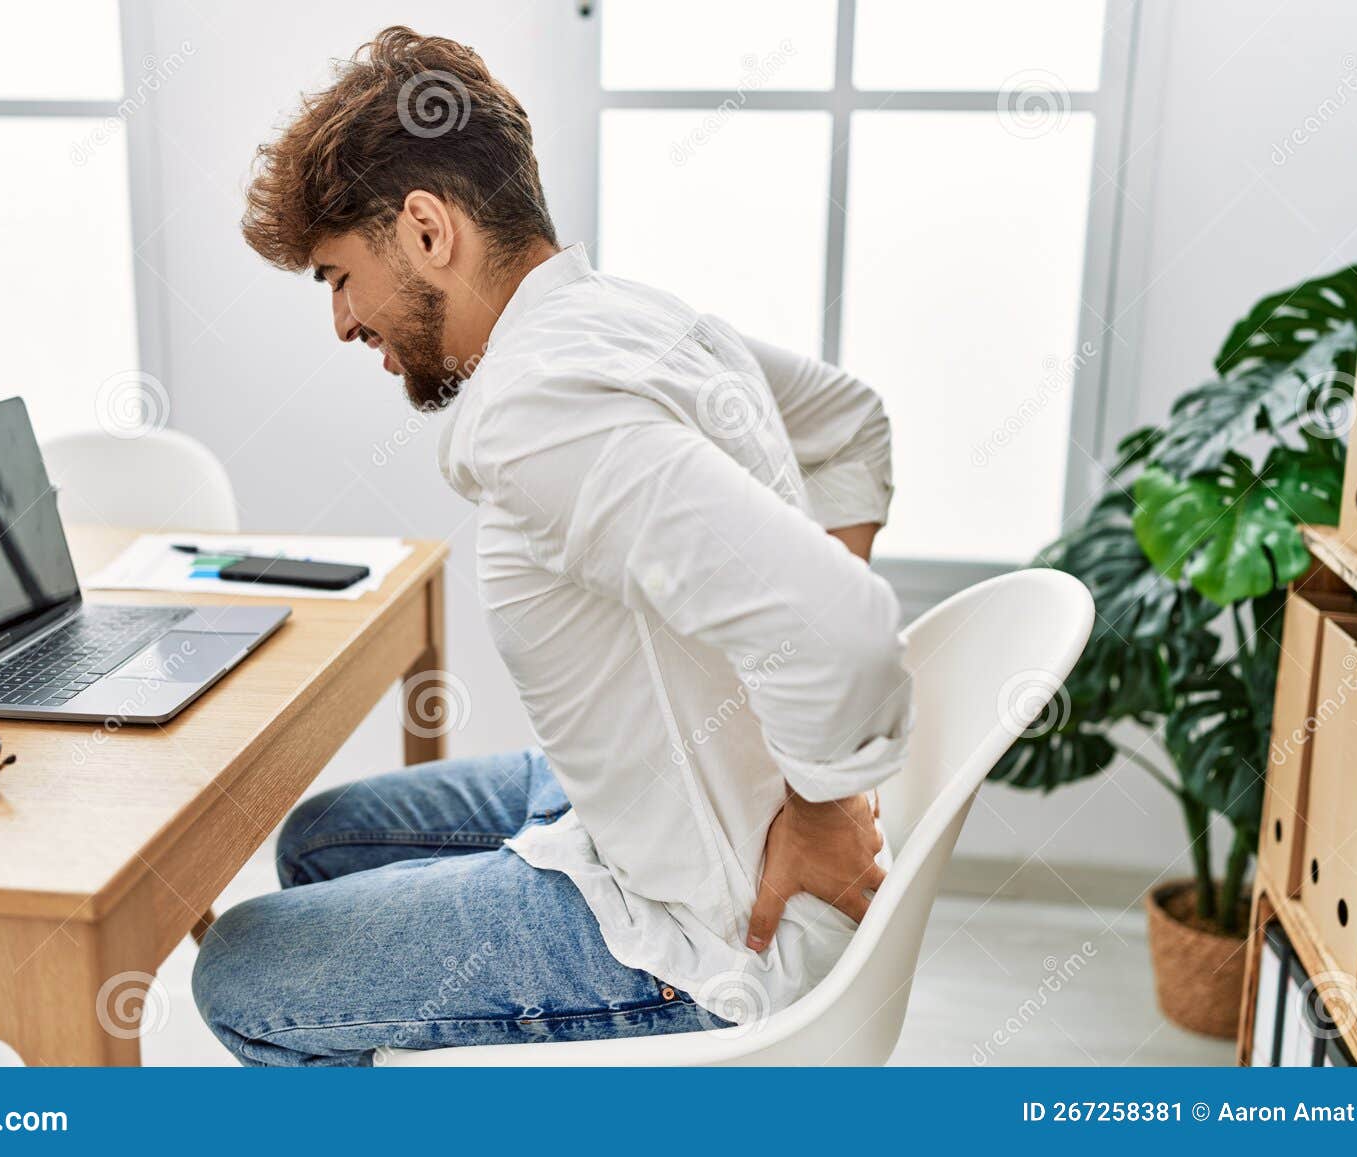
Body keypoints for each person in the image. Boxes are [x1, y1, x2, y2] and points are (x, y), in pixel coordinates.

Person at [191, 26, 913, 1066]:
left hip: (699, 923)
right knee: (320, 840)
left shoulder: (533, 406)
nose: (344, 322)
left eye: (339, 277)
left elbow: (838, 626)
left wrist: (818, 800)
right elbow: (852, 422)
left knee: (241, 971)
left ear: (428, 231)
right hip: (638, 800)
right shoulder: (629, 316)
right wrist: (781, 730)